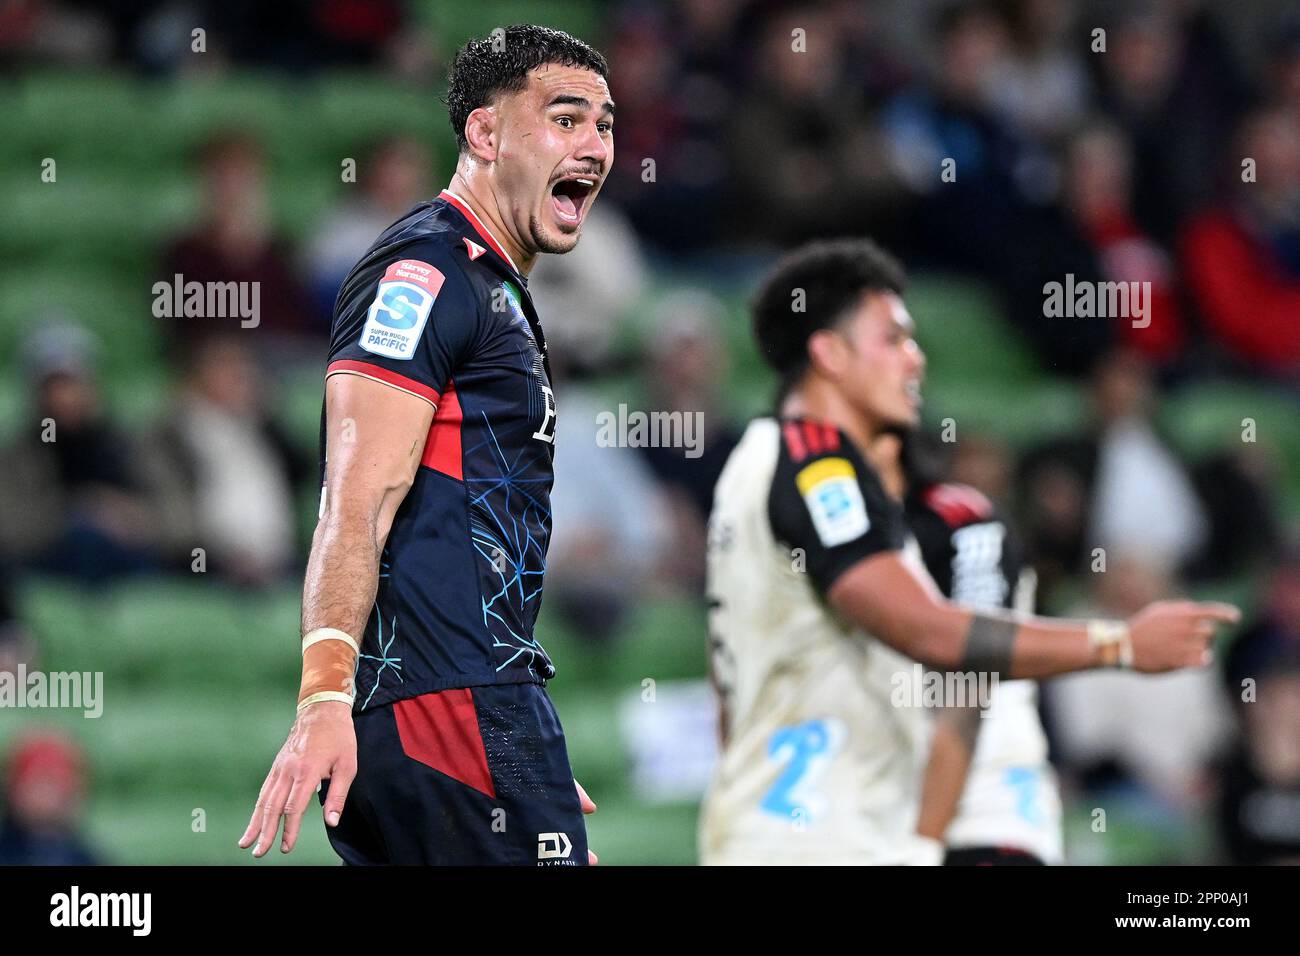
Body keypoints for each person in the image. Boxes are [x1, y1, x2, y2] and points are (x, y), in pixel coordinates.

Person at [698, 238, 1238, 865]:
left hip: (813, 825)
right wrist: (1118, 644)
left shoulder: (755, 470)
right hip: (827, 836)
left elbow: (732, 686)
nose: (916, 360)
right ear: (830, 354)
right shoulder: (812, 464)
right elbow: (934, 638)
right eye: (894, 339)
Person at [239, 25, 613, 865]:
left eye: (605, 124)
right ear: (485, 135)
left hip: (467, 705)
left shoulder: (489, 281)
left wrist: (520, 750)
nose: (594, 145)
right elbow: (356, 498)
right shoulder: (426, 272)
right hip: (446, 705)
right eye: (566, 119)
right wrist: (324, 699)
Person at [873, 431, 1063, 865]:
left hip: (983, 808)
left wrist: (924, 843)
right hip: (887, 813)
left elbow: (972, 673)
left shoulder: (959, 518)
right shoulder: (837, 533)